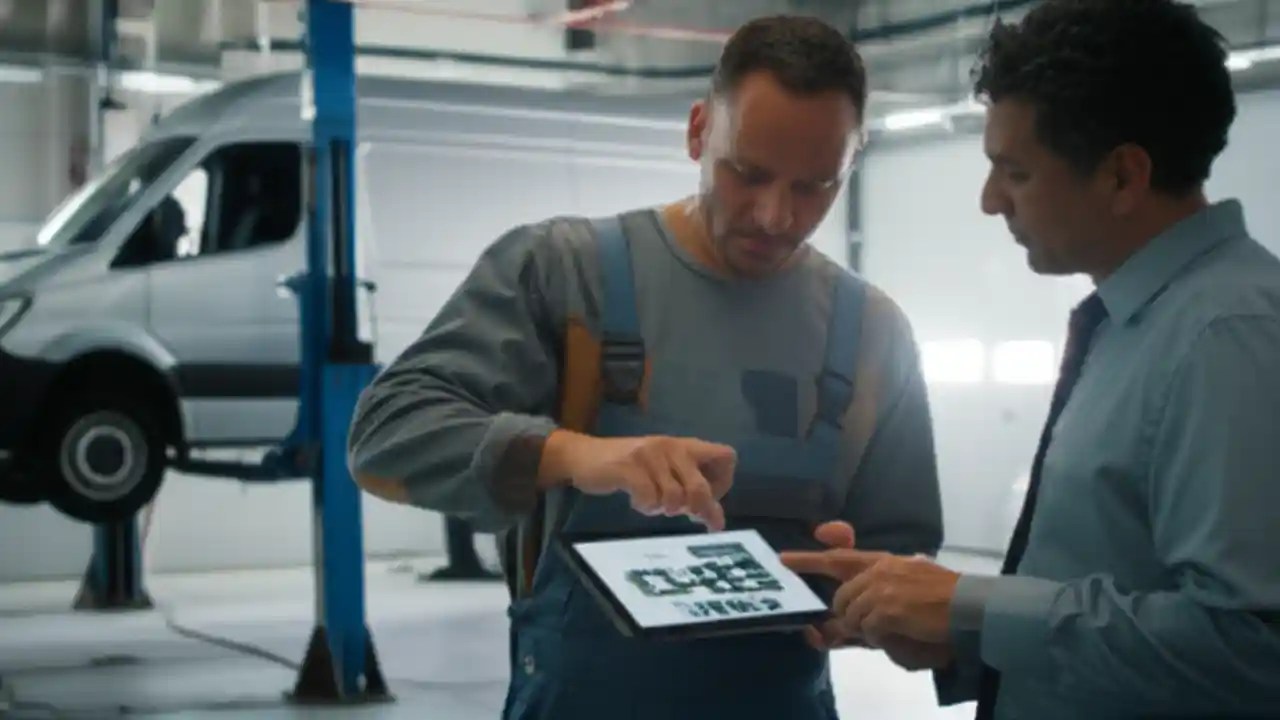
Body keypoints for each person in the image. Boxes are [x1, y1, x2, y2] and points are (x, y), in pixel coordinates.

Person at [345, 14, 943, 720]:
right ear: (697, 132)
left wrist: (864, 591)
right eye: (746, 173)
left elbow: (904, 549)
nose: (775, 215)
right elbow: (385, 433)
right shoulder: (566, 275)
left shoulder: (873, 331)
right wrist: (578, 455)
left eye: (815, 186)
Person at [780, 1, 1280, 718]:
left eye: (1013, 172)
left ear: (1122, 176)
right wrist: (953, 629)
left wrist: (975, 606)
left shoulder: (1226, 336)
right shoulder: (1139, 325)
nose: (991, 202)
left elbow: (1253, 647)